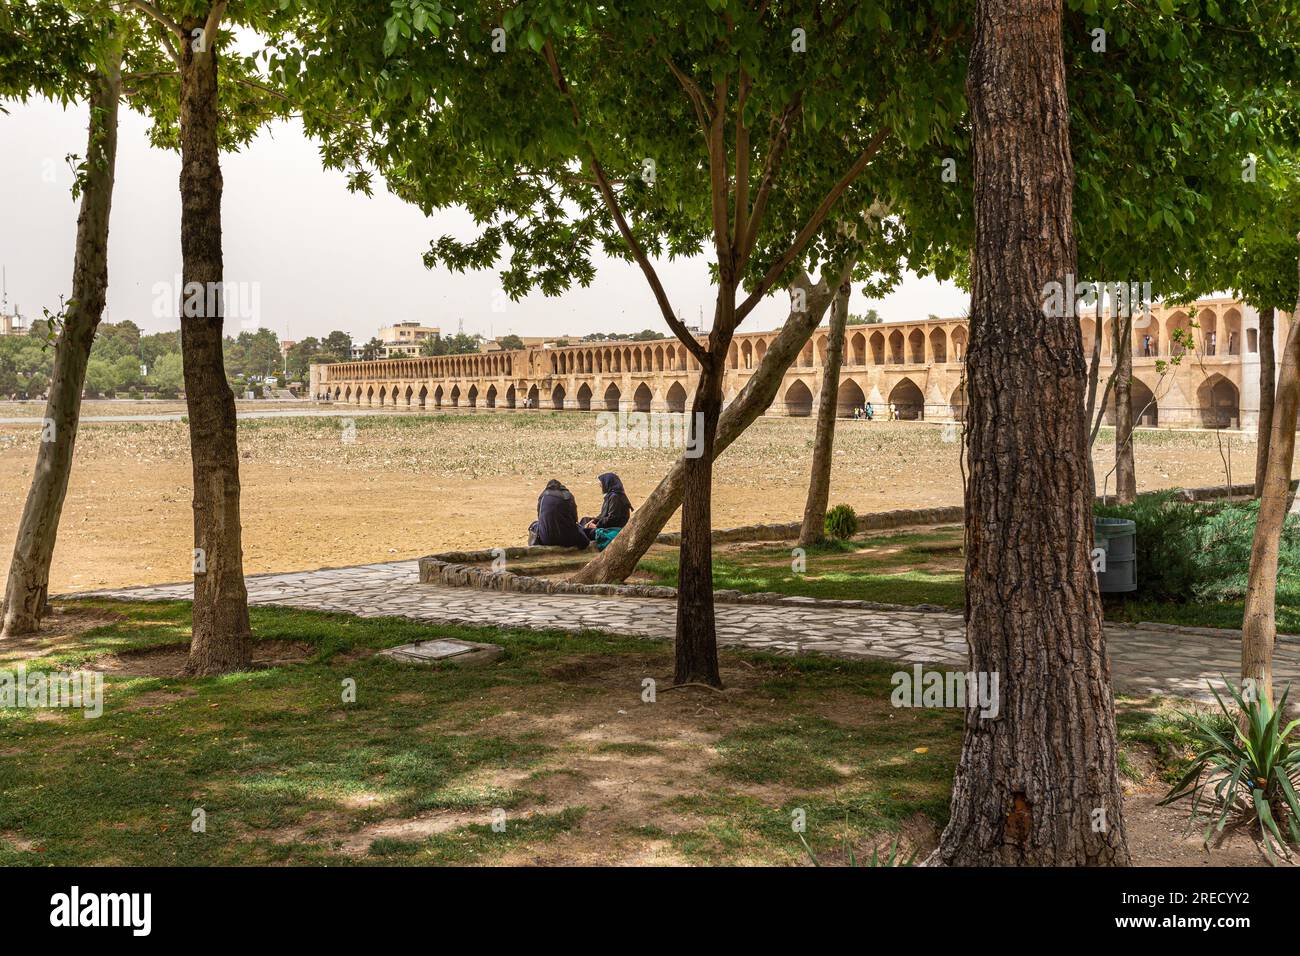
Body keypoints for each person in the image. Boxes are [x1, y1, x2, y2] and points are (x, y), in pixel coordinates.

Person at [528, 479, 590, 548]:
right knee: (581, 532)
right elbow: (575, 519)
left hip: (546, 539)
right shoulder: (568, 496)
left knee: (534, 525)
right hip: (568, 540)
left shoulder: (543, 496)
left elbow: (540, 517)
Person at [581, 472, 633, 541]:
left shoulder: (615, 497)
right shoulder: (612, 495)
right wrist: (594, 521)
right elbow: (603, 515)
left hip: (614, 528)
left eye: (602, 483)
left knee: (587, 531)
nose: (601, 485)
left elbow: (612, 518)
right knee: (585, 520)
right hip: (609, 523)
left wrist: (597, 526)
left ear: (608, 483)